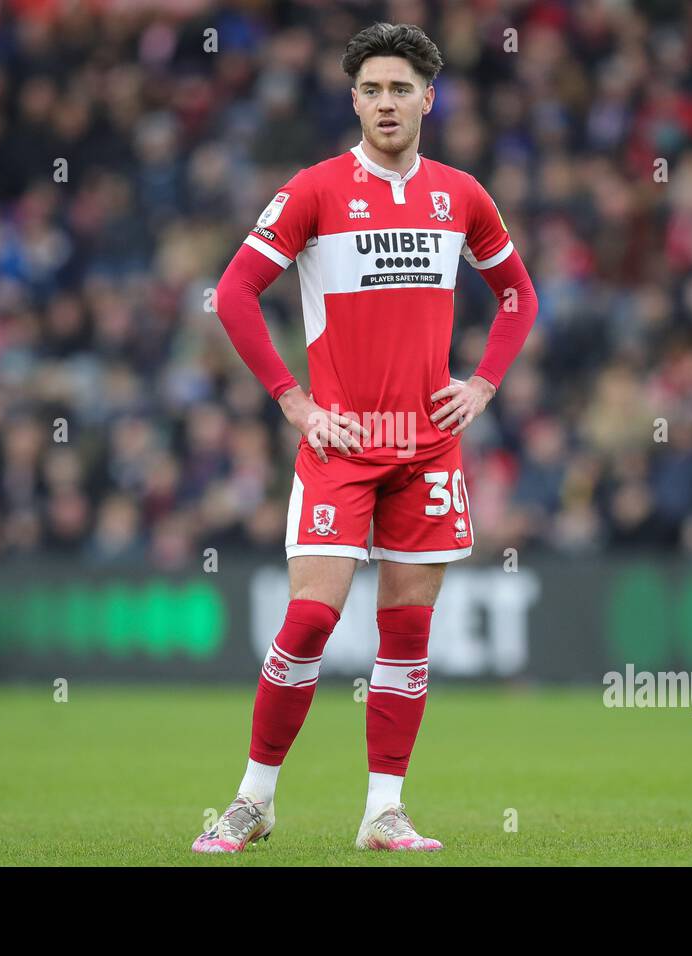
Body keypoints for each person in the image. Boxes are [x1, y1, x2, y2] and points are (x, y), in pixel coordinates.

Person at [196, 22, 537, 853]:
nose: (387, 102)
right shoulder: (314, 189)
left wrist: (484, 382)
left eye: (402, 88)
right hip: (341, 444)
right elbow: (235, 292)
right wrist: (293, 401)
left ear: (430, 97)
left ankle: (384, 810)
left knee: (407, 633)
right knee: (309, 620)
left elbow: (518, 296)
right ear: (354, 100)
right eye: (373, 89)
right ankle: (253, 799)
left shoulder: (462, 195)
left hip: (428, 447)